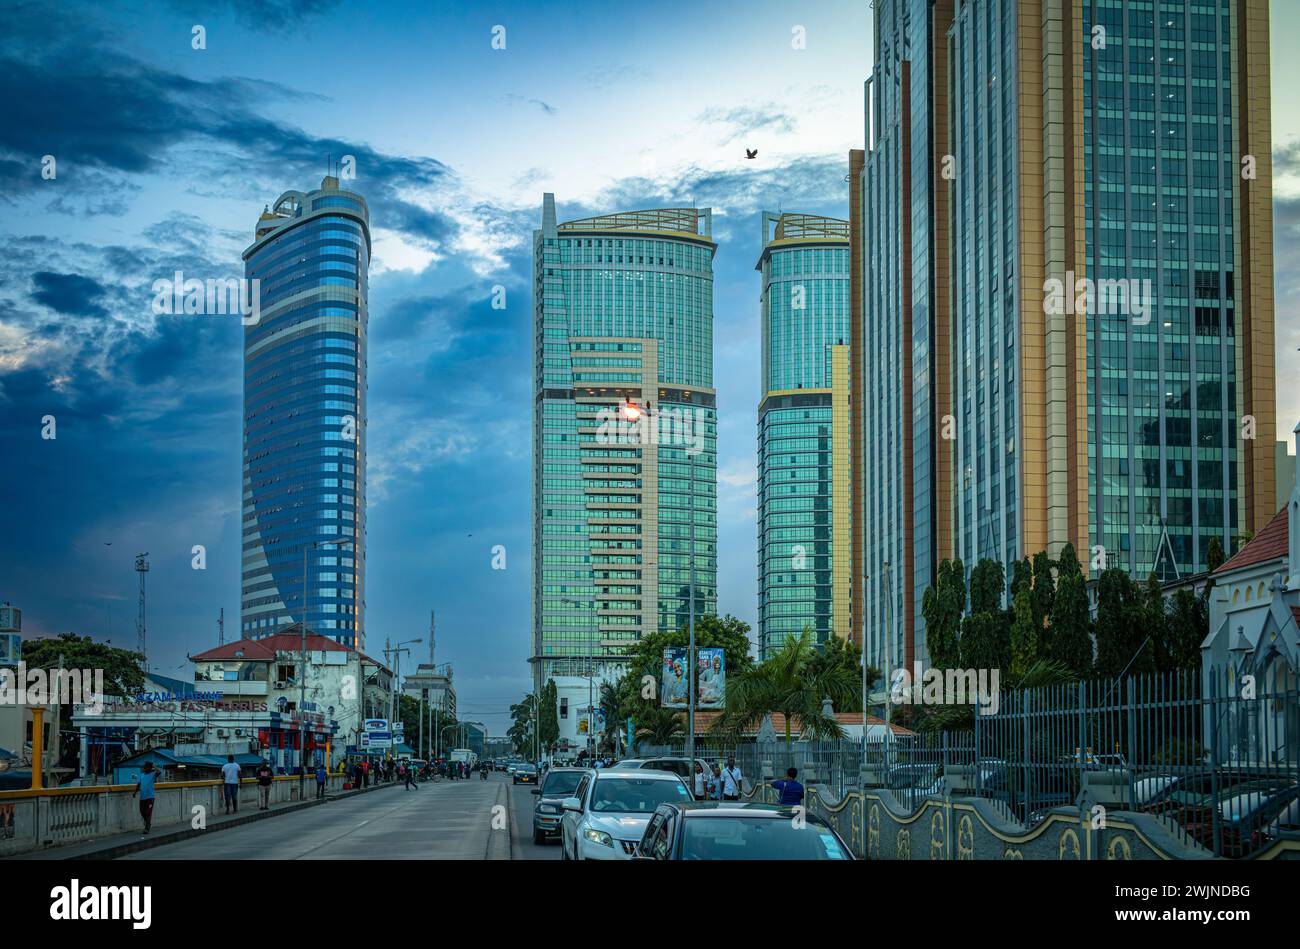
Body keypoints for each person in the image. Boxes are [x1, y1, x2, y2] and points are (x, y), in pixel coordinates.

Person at [132, 761, 157, 835]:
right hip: (142, 797)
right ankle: (147, 823)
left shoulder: (153, 774)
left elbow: (159, 771)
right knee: (142, 812)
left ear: (149, 768)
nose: (144, 768)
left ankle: (147, 827)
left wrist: (153, 765)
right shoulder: (141, 775)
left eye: (146, 767)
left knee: (148, 812)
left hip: (150, 797)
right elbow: (138, 784)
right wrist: (135, 792)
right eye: (144, 767)